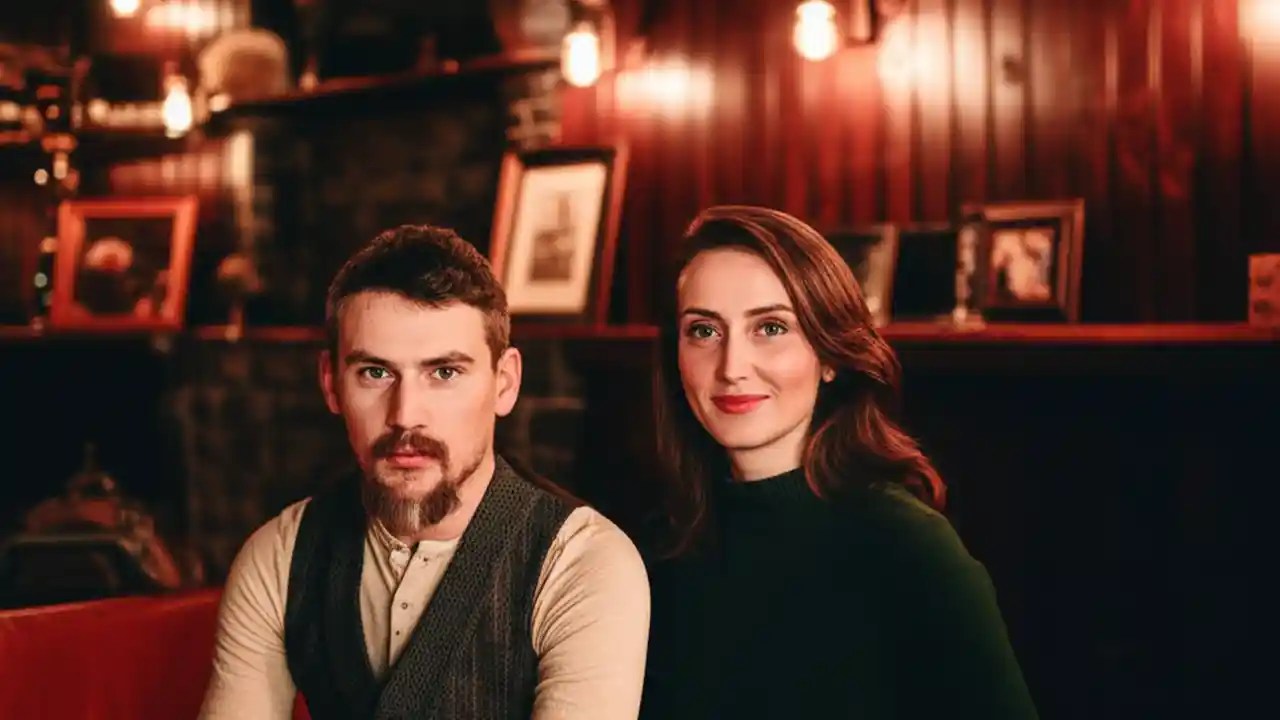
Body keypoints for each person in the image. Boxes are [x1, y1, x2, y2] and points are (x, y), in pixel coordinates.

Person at [200, 225, 650, 719]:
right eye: (375, 372)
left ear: (505, 383)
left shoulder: (582, 565)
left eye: (444, 373)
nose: (405, 414)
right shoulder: (281, 556)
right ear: (331, 384)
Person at [640, 206, 1038, 719]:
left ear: (829, 356)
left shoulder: (907, 545)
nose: (732, 368)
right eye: (704, 332)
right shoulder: (656, 546)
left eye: (771, 328)